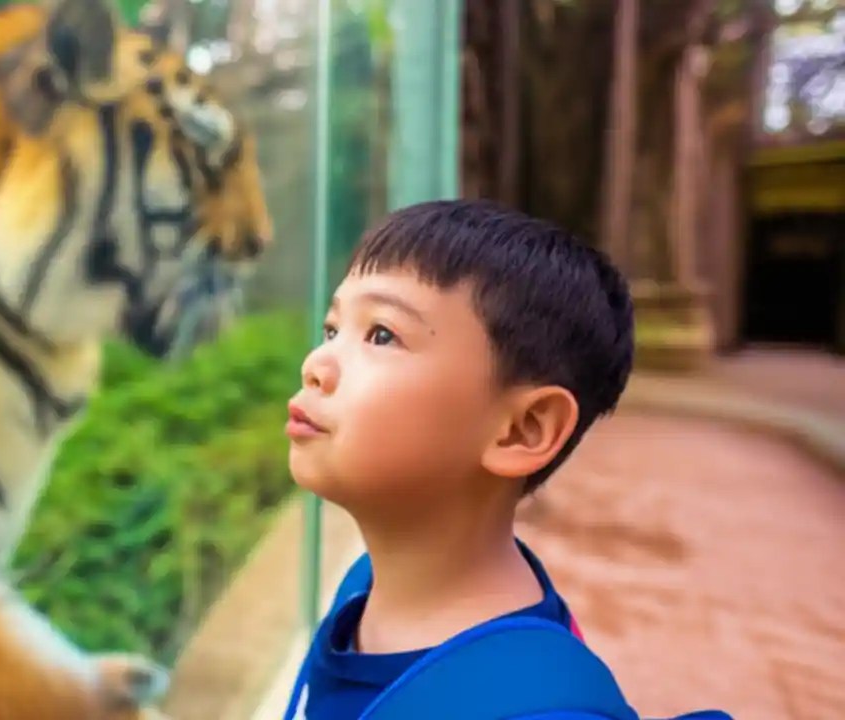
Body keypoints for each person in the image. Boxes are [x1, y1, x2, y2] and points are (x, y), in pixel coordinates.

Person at [280, 200, 728, 720]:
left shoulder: (536, 705)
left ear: (522, 429)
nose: (316, 364)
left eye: (382, 334)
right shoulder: (366, 588)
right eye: (332, 329)